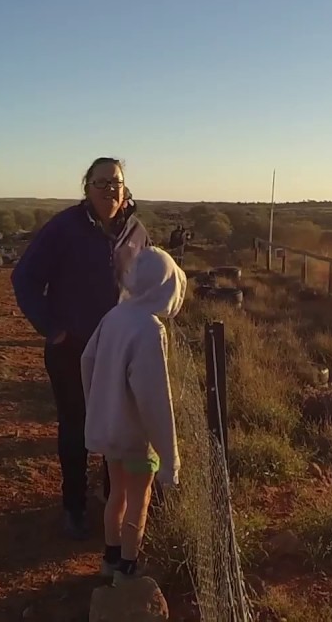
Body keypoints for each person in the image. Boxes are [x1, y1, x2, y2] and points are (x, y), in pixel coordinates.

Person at [11, 157, 151, 539]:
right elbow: (24, 278)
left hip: (120, 352)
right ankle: (73, 505)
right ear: (86, 187)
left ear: (125, 187)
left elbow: (149, 283)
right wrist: (52, 328)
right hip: (70, 349)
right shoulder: (64, 228)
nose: (109, 189)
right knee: (76, 427)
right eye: (100, 182)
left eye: (116, 182)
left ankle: (111, 499)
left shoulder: (137, 232)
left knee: (117, 427)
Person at [82, 246, 185, 583]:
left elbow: (87, 360)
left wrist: (98, 407)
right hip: (137, 441)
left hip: (112, 431)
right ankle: (128, 566)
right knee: (139, 499)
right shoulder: (150, 330)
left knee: (117, 494)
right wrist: (169, 459)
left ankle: (110, 558)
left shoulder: (114, 316)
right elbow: (153, 399)